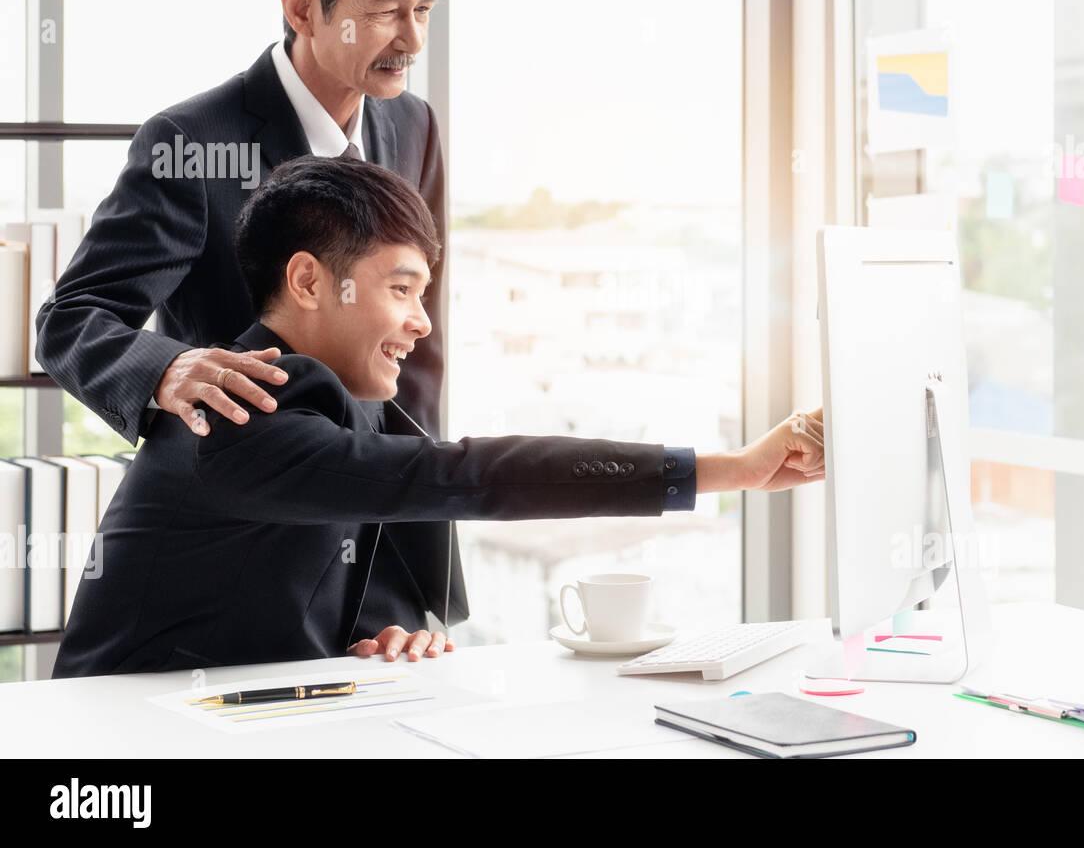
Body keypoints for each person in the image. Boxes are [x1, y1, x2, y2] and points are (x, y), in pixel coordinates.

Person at [51, 157, 824, 677]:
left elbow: (337, 550)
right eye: (401, 289)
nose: (422, 324)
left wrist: (385, 628)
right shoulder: (241, 414)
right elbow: (472, 476)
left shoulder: (340, 405)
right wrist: (730, 470)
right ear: (310, 282)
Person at [37, 0, 468, 634]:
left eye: (423, 9)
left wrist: (405, 599)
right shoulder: (191, 140)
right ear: (303, 8)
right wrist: (166, 369)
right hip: (236, 556)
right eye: (383, 13)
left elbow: (414, 378)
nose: (413, 40)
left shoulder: (414, 127)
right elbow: (70, 319)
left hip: (372, 563)